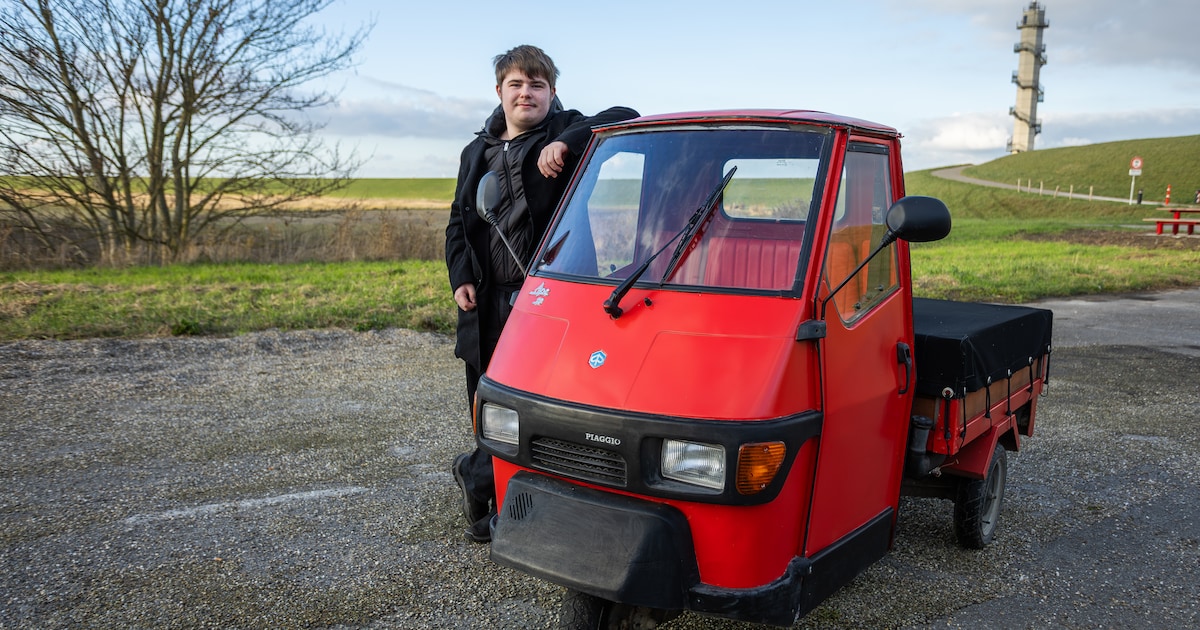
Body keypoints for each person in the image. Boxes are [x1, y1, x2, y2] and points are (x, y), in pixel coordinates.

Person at [444, 45, 638, 543]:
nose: (526, 93)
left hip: (553, 296)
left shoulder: (564, 130)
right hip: (489, 299)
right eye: (516, 84)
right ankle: (489, 485)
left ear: (551, 93)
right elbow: (458, 223)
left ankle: (498, 486)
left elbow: (625, 115)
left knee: (554, 397)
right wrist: (461, 275)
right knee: (490, 398)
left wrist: (568, 141)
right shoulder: (476, 153)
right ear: (500, 92)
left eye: (537, 85)